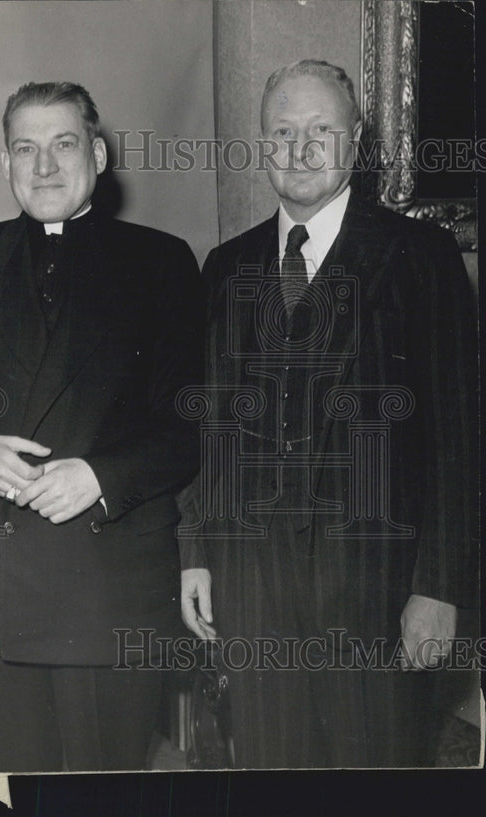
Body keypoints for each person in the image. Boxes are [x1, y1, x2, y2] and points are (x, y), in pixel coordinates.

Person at [179, 60, 478, 768]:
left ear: (356, 143)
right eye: (283, 132)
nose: (301, 149)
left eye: (321, 130)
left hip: (377, 590)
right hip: (253, 584)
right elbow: (208, 429)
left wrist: (438, 588)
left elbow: (461, 439)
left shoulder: (421, 256)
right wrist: (194, 554)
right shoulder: (227, 266)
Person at [0, 81, 203, 773]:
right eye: (26, 148)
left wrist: (101, 476)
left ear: (98, 152)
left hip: (108, 591)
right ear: (5, 163)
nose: (45, 165)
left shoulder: (163, 262)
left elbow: (193, 427)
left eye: (63, 144)